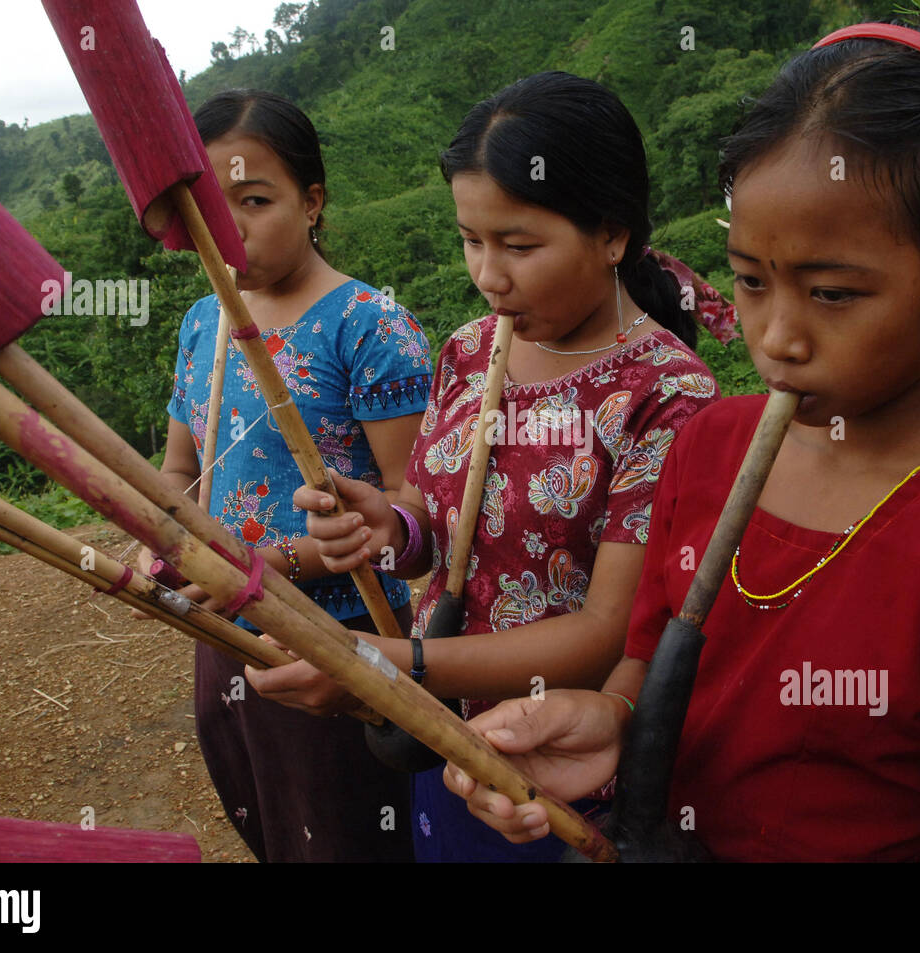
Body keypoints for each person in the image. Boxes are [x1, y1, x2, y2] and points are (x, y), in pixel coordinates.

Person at [441, 20, 920, 862]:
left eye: (831, 293)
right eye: (751, 279)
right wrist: (606, 723)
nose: (776, 338)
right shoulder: (707, 447)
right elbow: (646, 674)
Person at [247, 72, 728, 862]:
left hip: (564, 775)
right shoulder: (471, 351)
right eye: (472, 239)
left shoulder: (669, 396)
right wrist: (389, 526)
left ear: (612, 235)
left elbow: (606, 633)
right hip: (449, 743)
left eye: (519, 245)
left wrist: (382, 664)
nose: (488, 274)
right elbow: (438, 531)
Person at [148, 89, 431, 862]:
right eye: (209, 206)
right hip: (221, 632)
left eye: (256, 199)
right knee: (269, 824)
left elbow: (414, 506)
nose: (230, 225)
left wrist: (279, 564)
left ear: (312, 202)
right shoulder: (203, 321)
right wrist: (166, 539)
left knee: (345, 834)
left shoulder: (370, 324)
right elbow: (180, 468)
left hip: (337, 639)